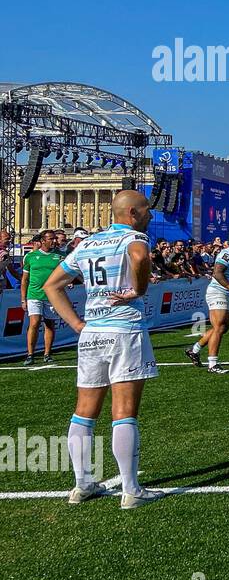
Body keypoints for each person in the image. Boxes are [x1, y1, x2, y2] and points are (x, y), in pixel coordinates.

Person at [41, 189, 162, 508]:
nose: (150, 215)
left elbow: (51, 286)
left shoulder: (89, 243)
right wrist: (139, 288)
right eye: (146, 210)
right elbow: (139, 257)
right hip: (124, 330)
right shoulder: (135, 237)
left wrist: (78, 324)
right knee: (124, 411)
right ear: (132, 214)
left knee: (84, 410)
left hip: (92, 333)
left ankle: (82, 483)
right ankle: (131, 490)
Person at [185, 226, 229, 374]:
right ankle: (212, 364)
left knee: (222, 328)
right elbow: (217, 273)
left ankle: (194, 350)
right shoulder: (227, 253)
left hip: (227, 293)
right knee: (219, 325)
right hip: (218, 292)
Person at [21, 230, 61, 365]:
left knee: (49, 324)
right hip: (34, 295)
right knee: (34, 322)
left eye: (55, 238)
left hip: (51, 296)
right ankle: (30, 354)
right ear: (43, 240)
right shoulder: (31, 257)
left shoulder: (59, 256)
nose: (54, 241)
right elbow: (24, 279)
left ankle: (47, 353)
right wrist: (23, 298)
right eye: (51, 239)